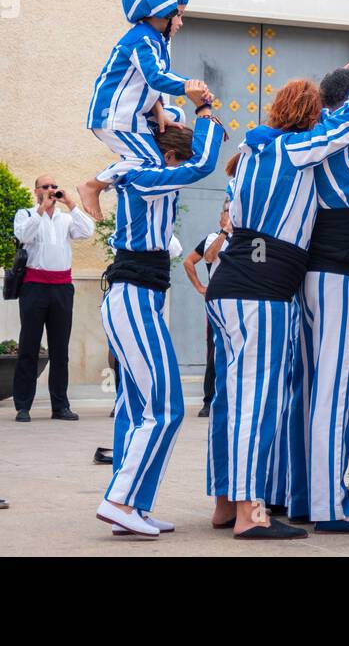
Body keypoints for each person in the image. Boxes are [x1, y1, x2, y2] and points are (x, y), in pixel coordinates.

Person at [205, 40, 349, 540]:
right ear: (311, 118)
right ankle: (295, 509)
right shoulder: (297, 147)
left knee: (236, 397)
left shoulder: (252, 151)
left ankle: (228, 503)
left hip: (233, 283)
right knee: (273, 397)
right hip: (268, 287)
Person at [95, 110, 224, 538]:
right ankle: (117, 502)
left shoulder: (146, 173)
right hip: (131, 297)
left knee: (137, 409)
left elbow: (166, 123)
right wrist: (207, 114)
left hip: (138, 299)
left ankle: (132, 506)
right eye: (177, 162)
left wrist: (163, 113)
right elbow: (202, 163)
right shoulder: (146, 177)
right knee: (166, 406)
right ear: (168, 157)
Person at [79, 0, 209, 220]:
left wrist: (159, 109)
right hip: (116, 116)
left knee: (176, 113)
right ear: (162, 12)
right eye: (179, 15)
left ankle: (156, 149)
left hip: (134, 113)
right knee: (148, 161)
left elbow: (149, 85)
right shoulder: (141, 40)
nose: (181, 23)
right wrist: (188, 86)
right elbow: (156, 77)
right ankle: (94, 185)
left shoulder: (156, 41)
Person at [10, 177, 95, 422]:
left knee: (60, 350)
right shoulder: (26, 214)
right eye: (45, 187)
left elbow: (87, 231)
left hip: (61, 288)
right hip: (34, 287)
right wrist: (41, 209)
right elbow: (24, 236)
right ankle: (23, 405)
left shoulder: (66, 219)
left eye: (53, 187)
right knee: (29, 347)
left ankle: (60, 406)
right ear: (36, 190)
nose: (50, 190)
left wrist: (70, 203)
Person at [183, 203, 231, 419]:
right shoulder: (214, 238)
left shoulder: (251, 238)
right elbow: (196, 260)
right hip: (217, 304)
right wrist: (200, 287)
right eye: (227, 210)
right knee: (214, 351)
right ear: (221, 215)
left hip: (241, 303)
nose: (231, 214)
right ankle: (208, 400)